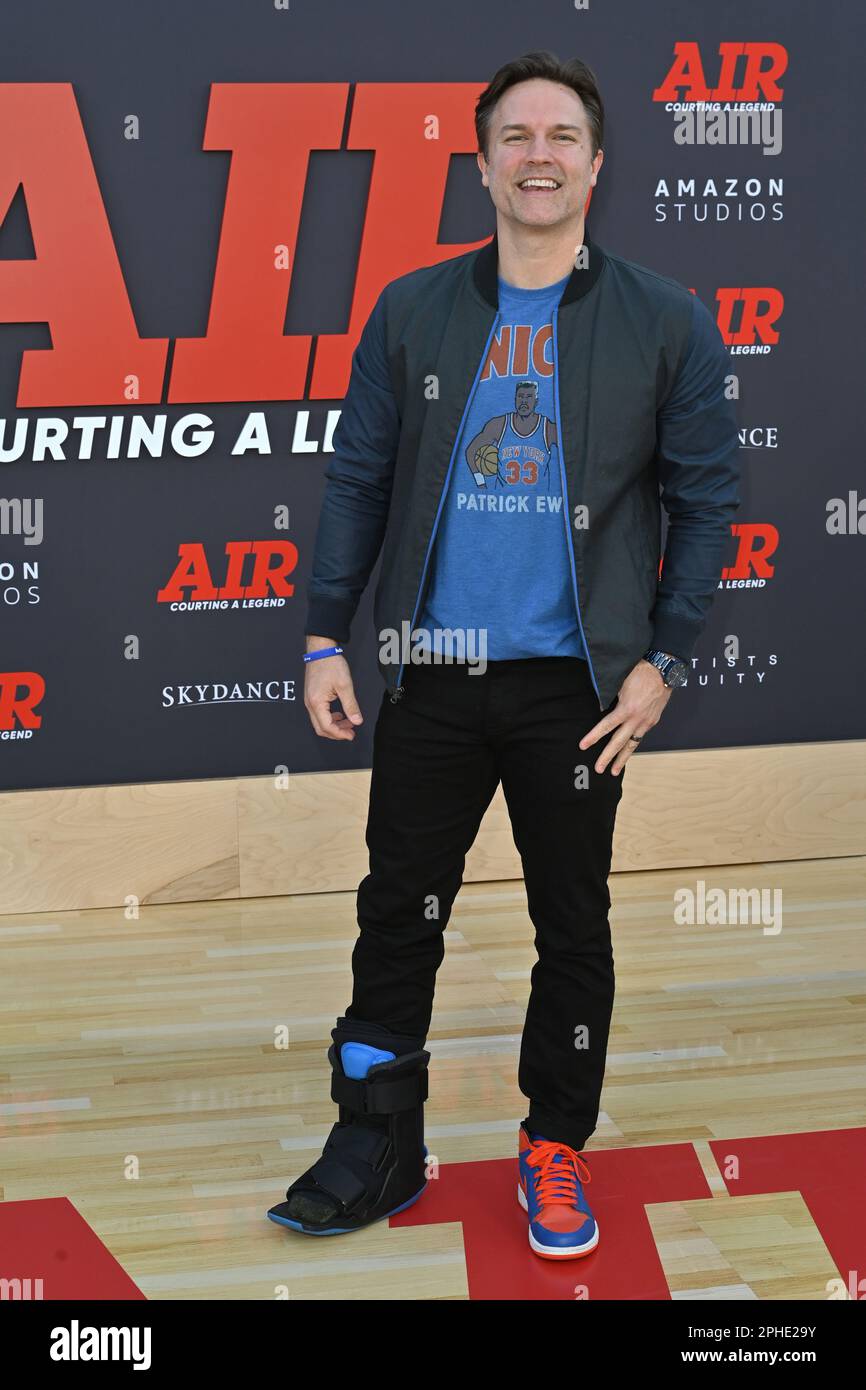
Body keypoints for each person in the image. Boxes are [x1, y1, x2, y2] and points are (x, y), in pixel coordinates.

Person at [267, 49, 740, 1260]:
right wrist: (326, 632)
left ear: (595, 163)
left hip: (575, 694)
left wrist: (663, 662)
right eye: (515, 137)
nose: (538, 156)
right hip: (432, 676)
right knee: (394, 917)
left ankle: (553, 1146)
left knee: (569, 926)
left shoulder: (663, 320)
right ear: (480, 165)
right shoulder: (414, 308)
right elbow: (358, 479)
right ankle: (378, 1141)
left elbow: (706, 502)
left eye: (561, 136)